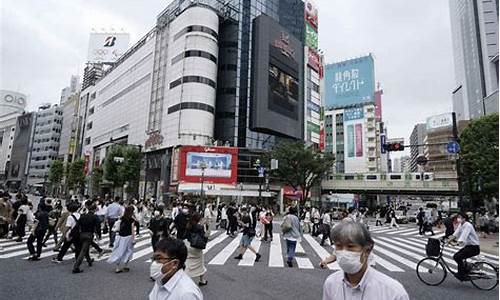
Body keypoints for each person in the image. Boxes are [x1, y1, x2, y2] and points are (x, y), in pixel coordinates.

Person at [322, 221, 409, 300]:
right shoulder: (331, 283)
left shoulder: (393, 293)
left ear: (367, 250)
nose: (344, 252)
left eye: (350, 247)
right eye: (339, 246)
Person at [448, 213, 481, 281]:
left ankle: (462, 274)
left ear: (464, 219)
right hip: (468, 247)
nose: (458, 219)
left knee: (457, 257)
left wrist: (456, 244)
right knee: (456, 256)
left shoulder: (467, 225)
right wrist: (447, 240)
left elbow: (463, 236)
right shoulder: (461, 225)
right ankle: (465, 270)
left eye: (460, 217)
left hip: (474, 248)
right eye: (458, 217)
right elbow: (456, 234)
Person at [72, 204, 100, 273]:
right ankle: (76, 267)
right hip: (89, 235)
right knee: (83, 250)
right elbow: (98, 226)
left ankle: (89, 261)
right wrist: (99, 234)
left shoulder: (83, 216)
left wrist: (71, 234)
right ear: (94, 210)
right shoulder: (94, 217)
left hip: (81, 234)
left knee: (85, 249)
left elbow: (77, 226)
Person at [107, 206, 136, 273]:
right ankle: (125, 265)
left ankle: (117, 267)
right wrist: (133, 239)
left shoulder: (122, 218)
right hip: (128, 237)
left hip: (120, 236)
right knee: (129, 251)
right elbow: (132, 230)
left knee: (120, 251)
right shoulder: (132, 220)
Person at [184, 212, 208, 286]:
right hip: (196, 247)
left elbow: (185, 235)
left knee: (188, 262)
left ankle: (184, 277)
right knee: (200, 263)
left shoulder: (188, 225)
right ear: (199, 219)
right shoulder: (200, 227)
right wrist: (205, 226)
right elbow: (205, 237)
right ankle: (202, 280)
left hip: (188, 245)